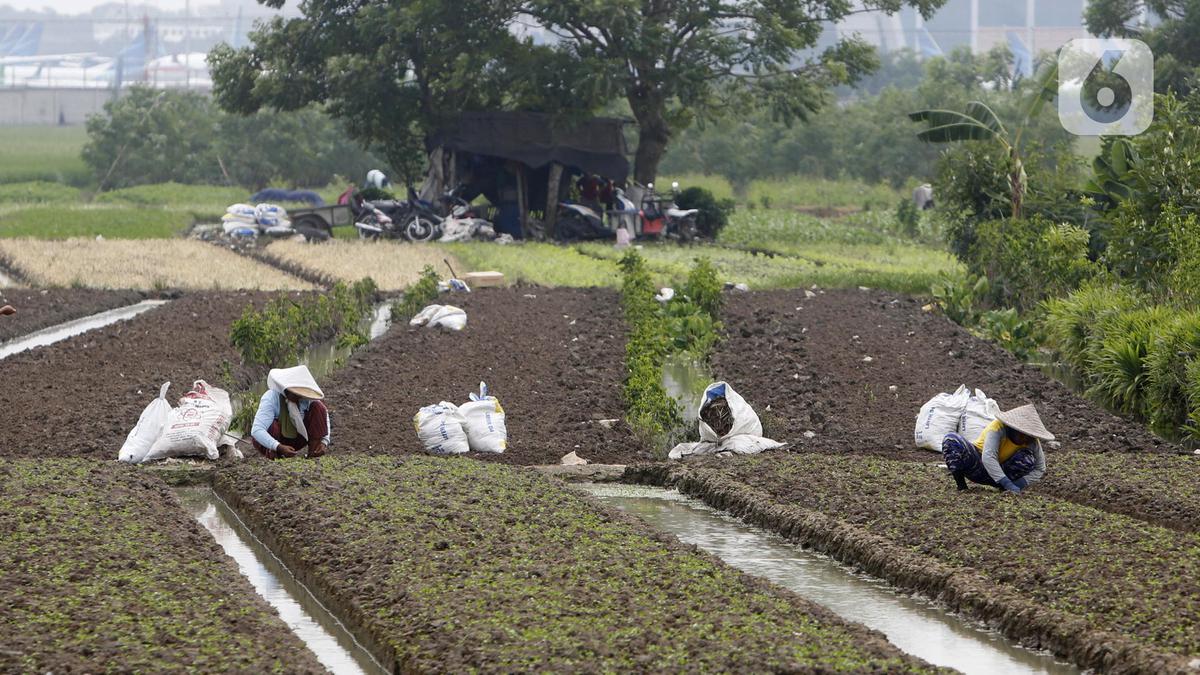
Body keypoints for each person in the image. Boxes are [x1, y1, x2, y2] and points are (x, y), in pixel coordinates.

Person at [941, 404, 1053, 494]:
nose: (1025, 440)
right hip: (977, 465)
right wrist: (1007, 483)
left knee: (1028, 459)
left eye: (1029, 436)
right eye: (1023, 435)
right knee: (951, 439)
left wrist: (1017, 485)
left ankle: (1004, 489)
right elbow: (988, 458)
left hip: (1003, 472)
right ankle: (962, 487)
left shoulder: (1031, 440)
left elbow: (1040, 467)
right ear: (1015, 429)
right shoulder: (997, 428)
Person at [251, 365, 330, 459]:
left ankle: (313, 453)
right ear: (286, 390)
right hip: (277, 441)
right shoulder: (271, 398)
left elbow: (324, 415)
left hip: (297, 439)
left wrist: (324, 441)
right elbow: (257, 430)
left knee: (318, 407)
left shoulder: (306, 399)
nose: (299, 397)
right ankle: (276, 457)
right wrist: (278, 447)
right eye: (295, 393)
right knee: (273, 426)